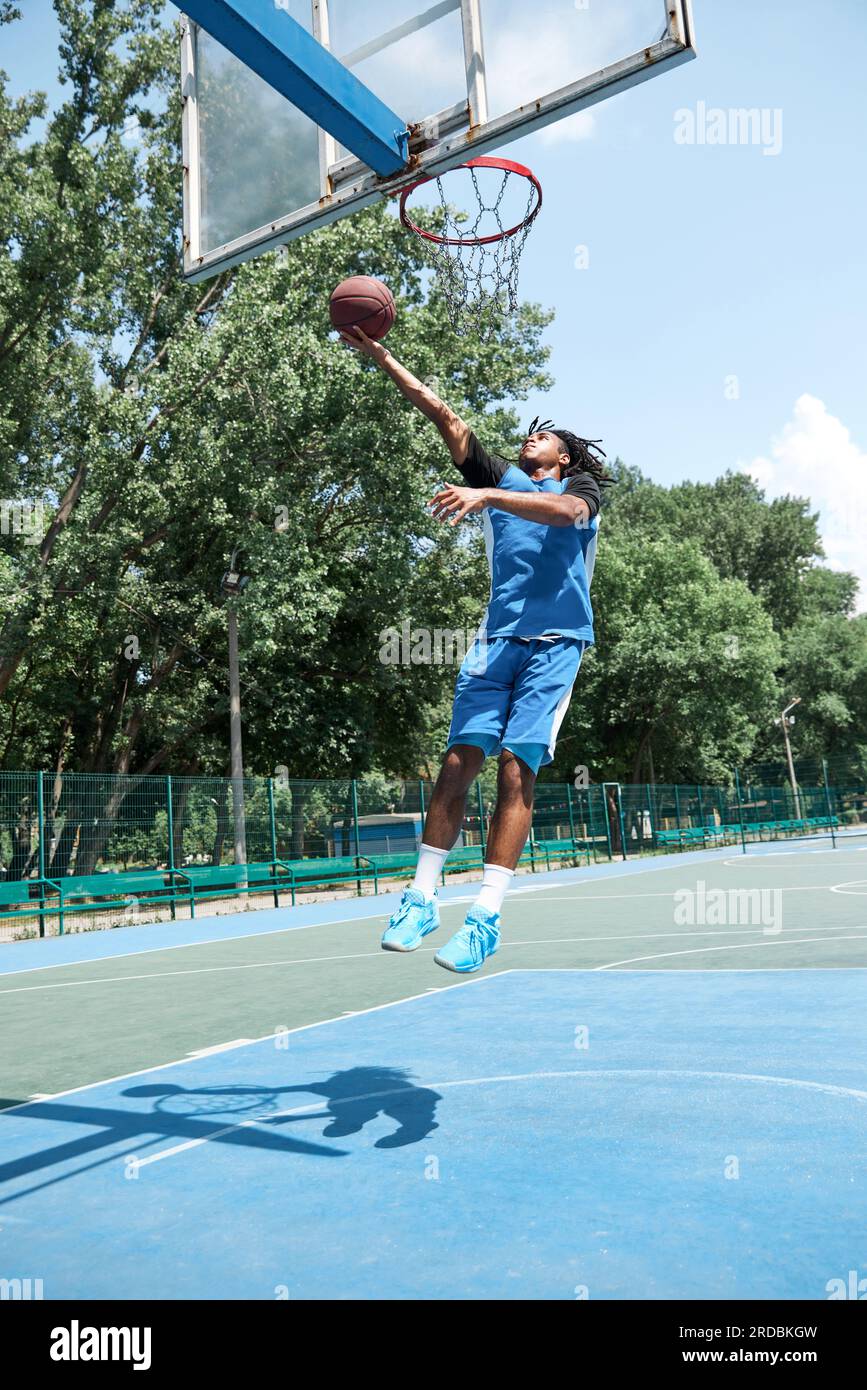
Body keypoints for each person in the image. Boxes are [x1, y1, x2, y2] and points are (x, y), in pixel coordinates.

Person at [340, 325, 609, 972]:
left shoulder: (581, 494)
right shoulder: (501, 475)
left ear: (564, 457)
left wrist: (486, 494)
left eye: (543, 436)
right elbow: (443, 412)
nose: (529, 438)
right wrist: (377, 353)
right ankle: (421, 896)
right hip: (494, 644)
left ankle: (485, 915)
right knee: (457, 764)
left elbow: (566, 518)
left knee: (517, 769)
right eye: (528, 435)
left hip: (555, 644)